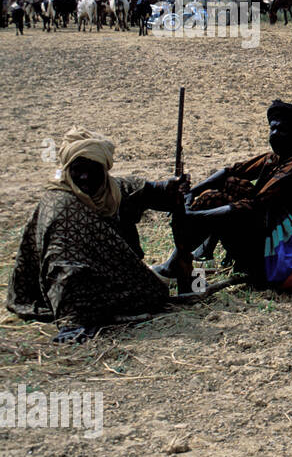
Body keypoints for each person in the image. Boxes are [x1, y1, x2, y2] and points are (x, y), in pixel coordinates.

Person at [7, 127, 185, 342]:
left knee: (153, 294)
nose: (84, 176)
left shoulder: (107, 189)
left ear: (103, 170)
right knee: (149, 295)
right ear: (67, 169)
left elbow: (138, 190)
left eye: (92, 170)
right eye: (78, 169)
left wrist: (169, 188)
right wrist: (73, 321)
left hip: (103, 275)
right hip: (68, 288)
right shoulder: (60, 207)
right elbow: (63, 269)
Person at [160, 101, 292, 296]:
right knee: (230, 185)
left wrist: (196, 216)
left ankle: (184, 266)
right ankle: (189, 261)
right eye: (273, 129)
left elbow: (255, 206)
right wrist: (193, 191)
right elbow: (231, 172)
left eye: (282, 130)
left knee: (215, 204)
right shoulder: (277, 158)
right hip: (278, 238)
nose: (275, 134)